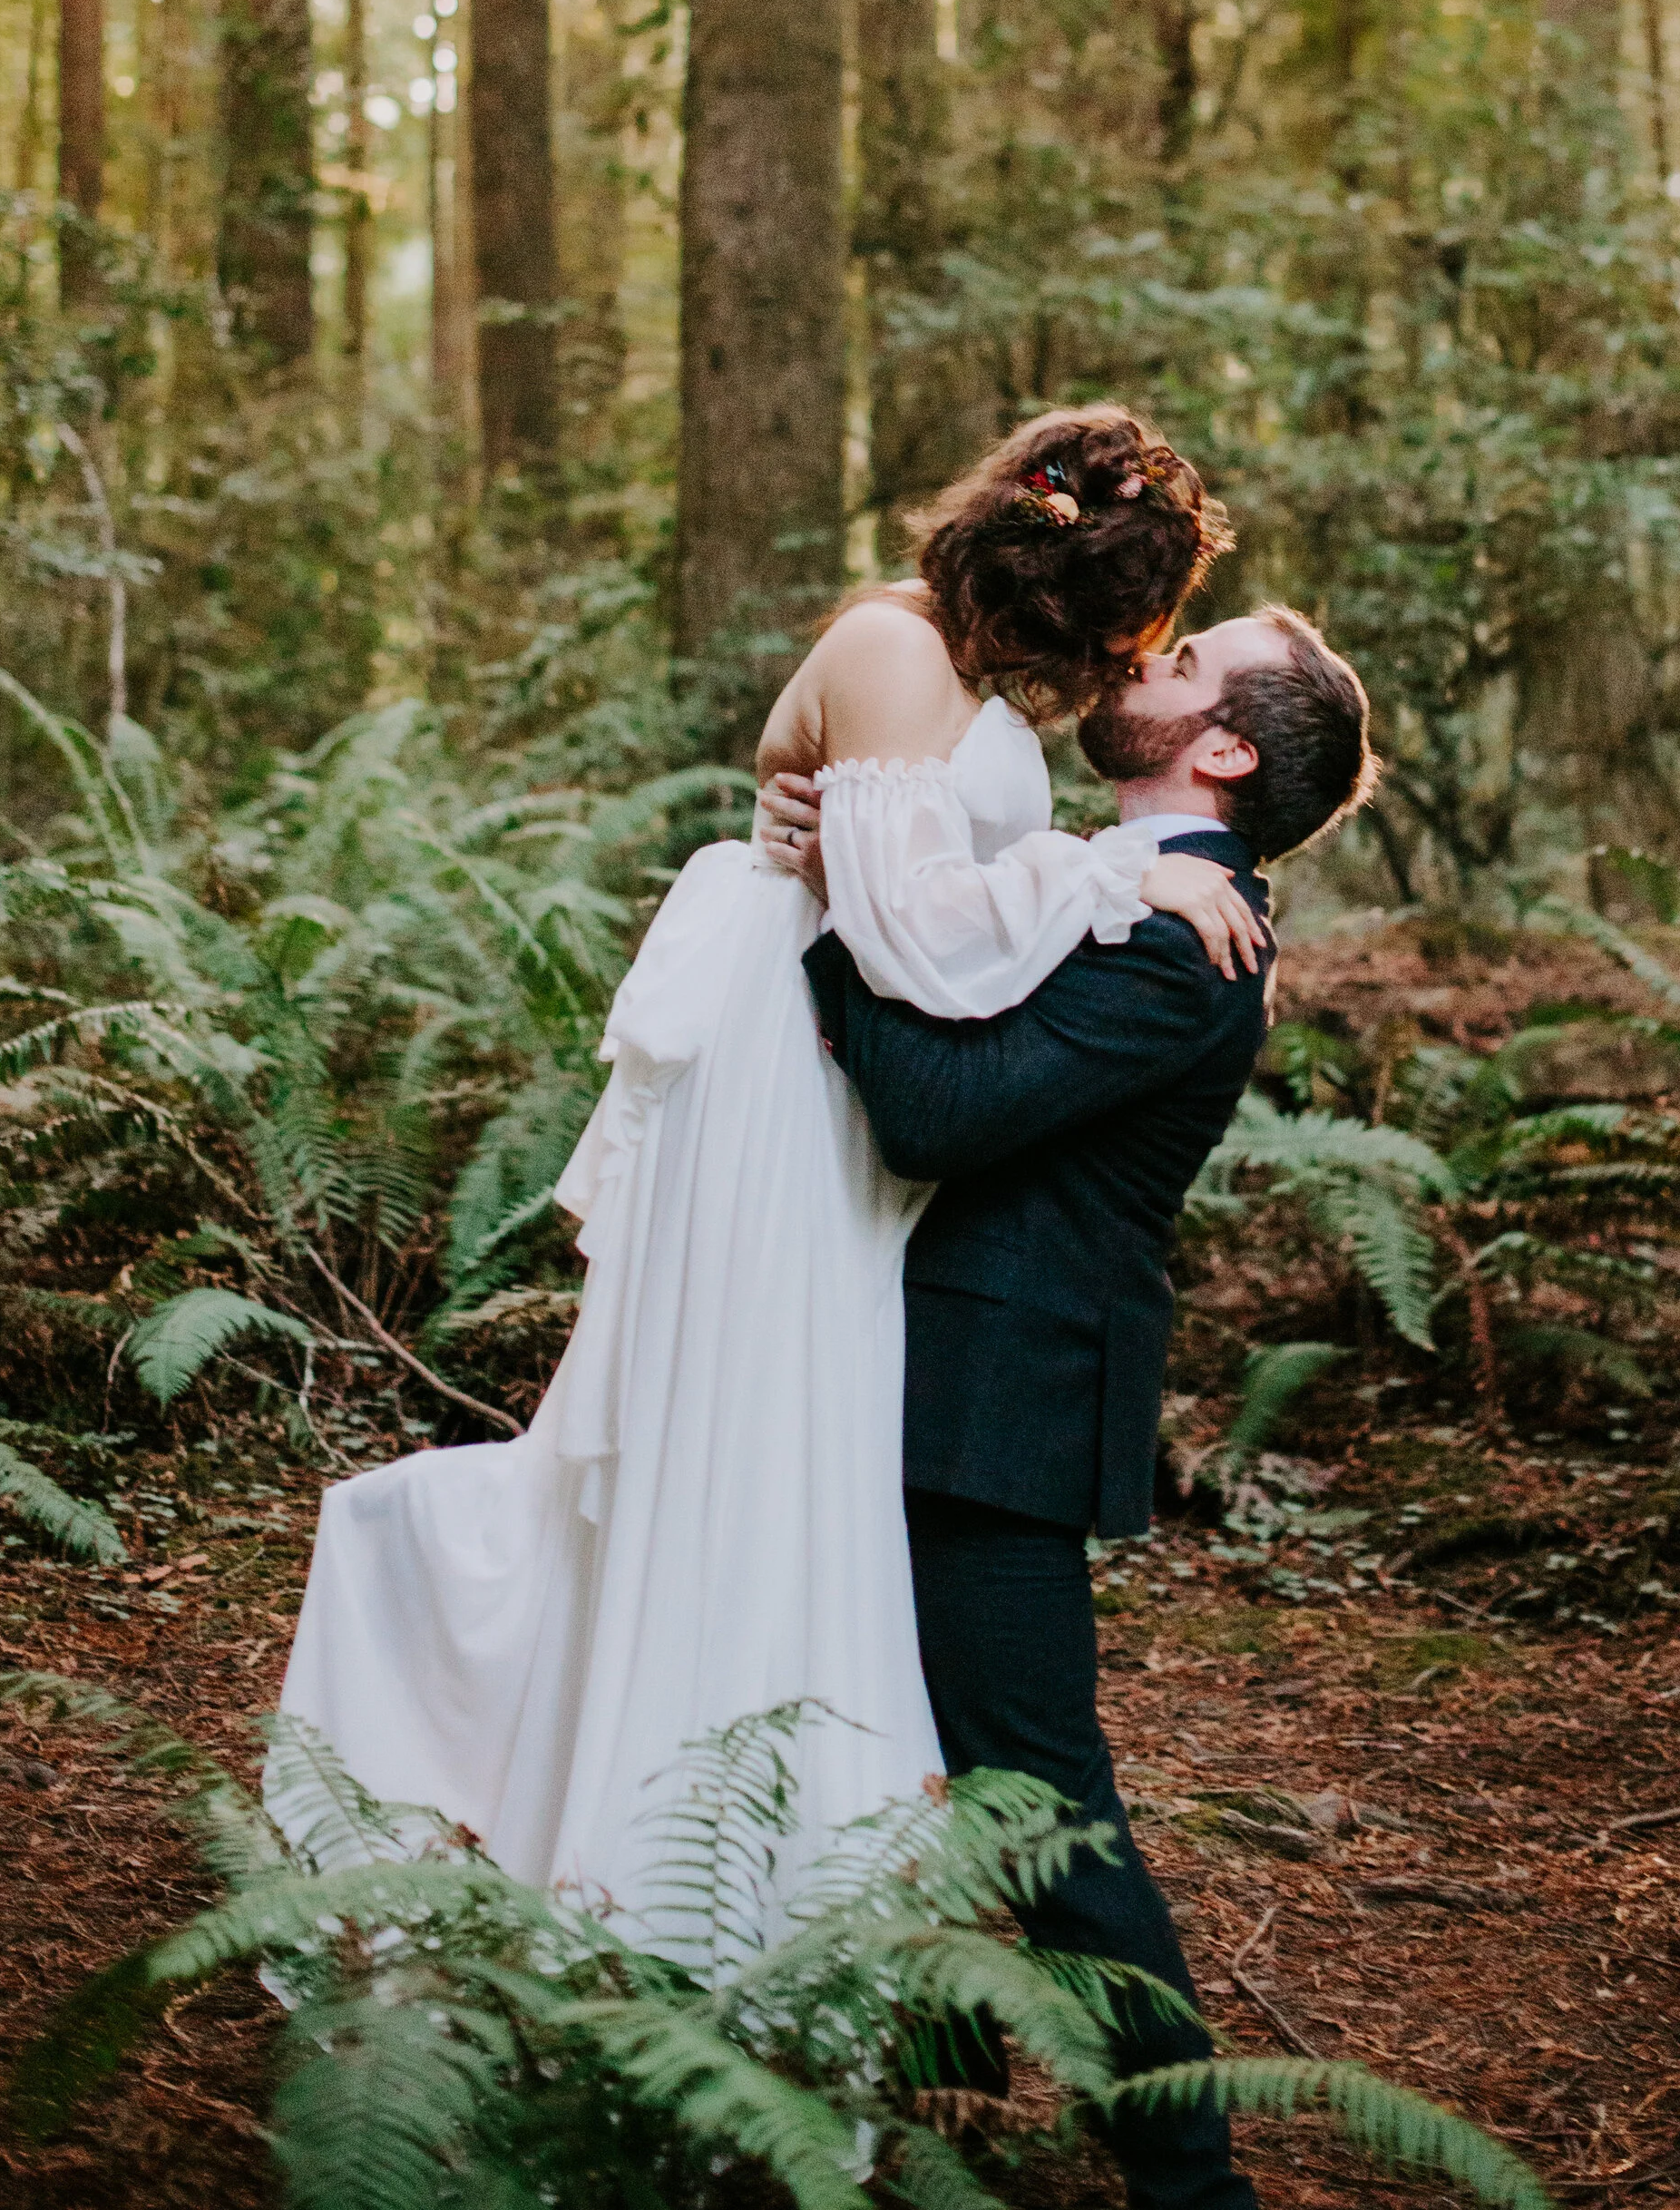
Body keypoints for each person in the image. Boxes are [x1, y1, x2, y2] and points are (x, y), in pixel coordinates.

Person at [273, 407, 1264, 1941]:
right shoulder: (894, 650)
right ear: (1065, 598)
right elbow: (916, 943)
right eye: (1136, 638)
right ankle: (659, 1899)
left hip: (836, 1094)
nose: (1122, 674)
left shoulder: (954, 674)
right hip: (783, 1094)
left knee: (804, 1469)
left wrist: (1070, 864)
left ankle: (792, 1905)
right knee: (744, 1459)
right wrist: (1117, 866)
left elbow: (924, 898)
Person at [785, 606, 1375, 2210]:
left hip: (1001, 1399)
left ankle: (1192, 2184)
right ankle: (938, 2103)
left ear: (1226, 748)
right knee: (907, 1754)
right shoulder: (1120, 884)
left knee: (1045, 1807)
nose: (1140, 661)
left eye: (1183, 667)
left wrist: (836, 914)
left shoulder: (1193, 942)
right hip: (941, 1376)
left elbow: (935, 1108)